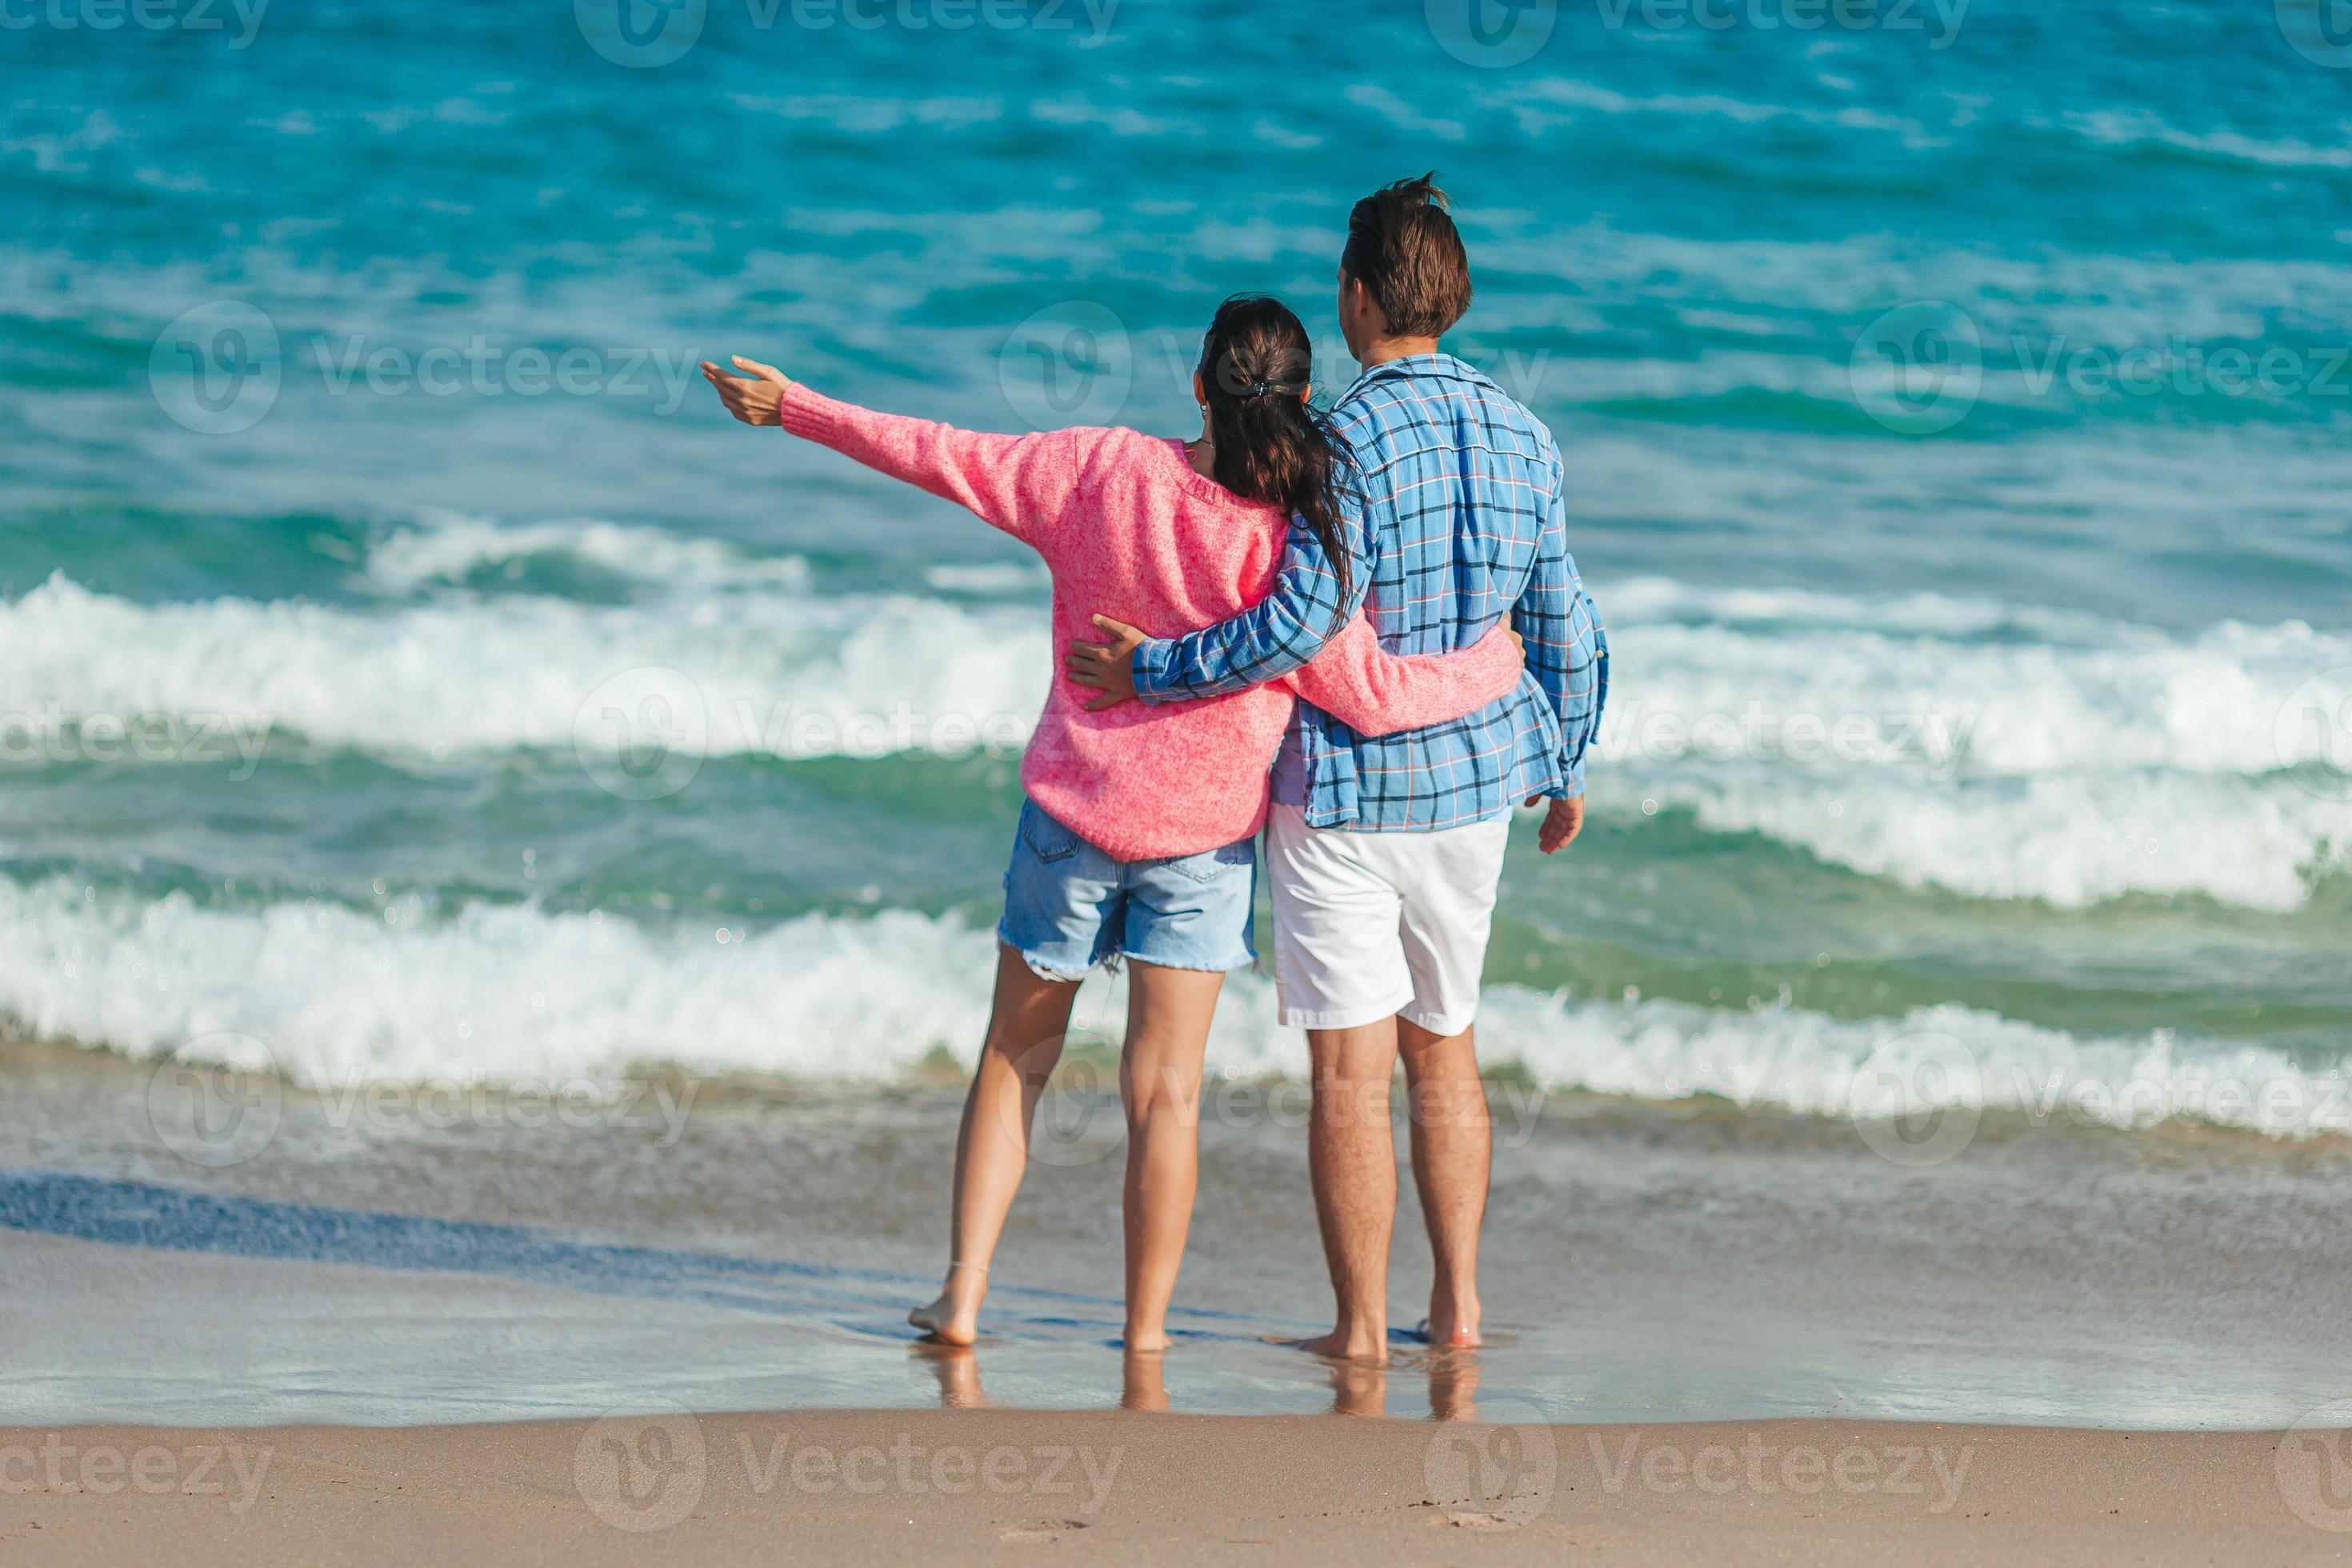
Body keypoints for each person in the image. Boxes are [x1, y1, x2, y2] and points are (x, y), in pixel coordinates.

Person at [700, 294, 1523, 1354]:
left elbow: (942, 455)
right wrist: (1494, 663)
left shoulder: (1097, 469)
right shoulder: (1296, 546)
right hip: (1203, 846)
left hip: (1071, 819)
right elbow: (1372, 698)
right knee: (1166, 1098)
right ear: (1307, 399)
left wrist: (798, 410)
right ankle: (1143, 1335)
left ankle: (963, 1295)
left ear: (1198, 387)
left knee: (1014, 1058)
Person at [1070, 176, 1609, 1364]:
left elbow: (1301, 624)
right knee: (1447, 1043)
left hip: (1350, 795)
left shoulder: (1344, 441)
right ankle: (1458, 1308)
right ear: (1450, 293)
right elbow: (1562, 612)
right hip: (1476, 797)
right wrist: (1566, 758)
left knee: (1352, 1073)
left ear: (1360, 298)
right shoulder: (1530, 435)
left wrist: (1155, 670)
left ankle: (1363, 1333)